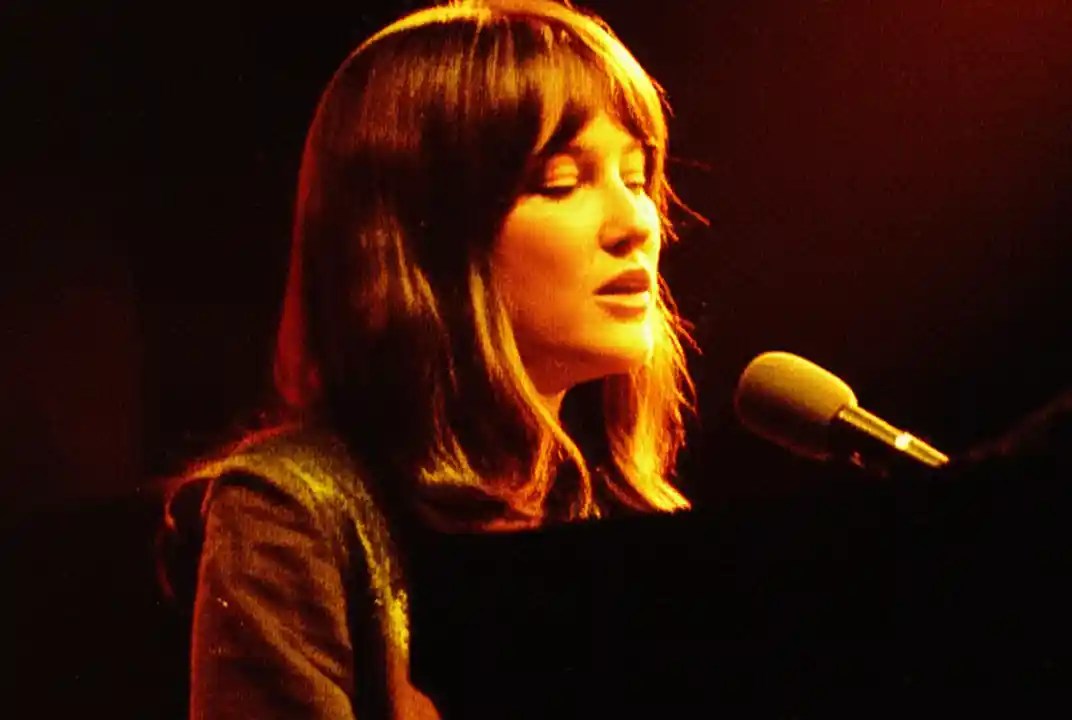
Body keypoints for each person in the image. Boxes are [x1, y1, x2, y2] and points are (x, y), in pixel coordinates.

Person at [160, 1, 698, 717]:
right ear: (422, 241)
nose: (637, 223)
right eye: (562, 182)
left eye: (636, 177)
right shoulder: (294, 512)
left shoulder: (620, 511)